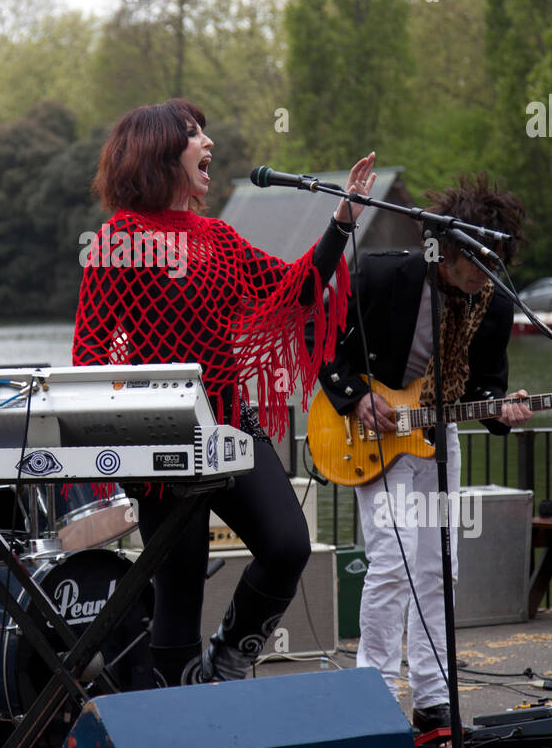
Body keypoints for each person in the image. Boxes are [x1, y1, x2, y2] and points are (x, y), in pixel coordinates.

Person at [72, 97, 376, 686]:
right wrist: (130, 429)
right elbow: (90, 352)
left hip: (231, 425)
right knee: (179, 584)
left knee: (288, 544)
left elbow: (297, 287)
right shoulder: (117, 240)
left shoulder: (219, 238)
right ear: (160, 151)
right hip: (163, 443)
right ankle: (181, 726)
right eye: (193, 135)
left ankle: (230, 658)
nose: (207, 144)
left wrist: (340, 222)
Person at [314, 175, 532, 732]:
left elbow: (484, 390)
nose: (484, 275)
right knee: (392, 562)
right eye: (476, 262)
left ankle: (433, 702)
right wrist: (357, 397)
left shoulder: (493, 302)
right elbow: (321, 338)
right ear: (450, 248)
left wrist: (501, 408)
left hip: (437, 437)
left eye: (495, 262)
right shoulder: (387, 274)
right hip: (371, 434)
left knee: (439, 569)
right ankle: (376, 701)